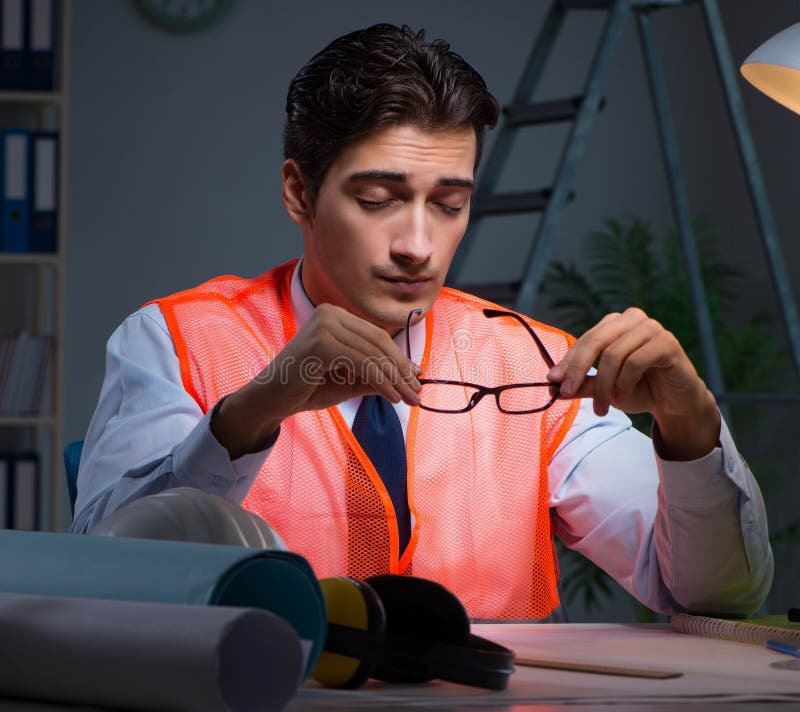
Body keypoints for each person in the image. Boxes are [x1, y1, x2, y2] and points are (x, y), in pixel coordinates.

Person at [72, 24, 772, 621]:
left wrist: (691, 429)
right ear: (299, 193)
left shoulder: (536, 369)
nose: (417, 243)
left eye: (449, 203)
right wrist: (251, 412)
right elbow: (108, 586)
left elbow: (712, 595)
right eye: (378, 198)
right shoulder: (176, 341)